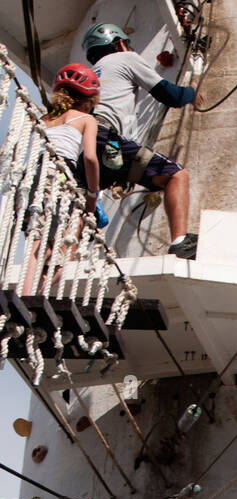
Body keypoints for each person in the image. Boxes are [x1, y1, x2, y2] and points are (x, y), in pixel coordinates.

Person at [80, 21, 200, 259]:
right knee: (175, 174)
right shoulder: (126, 58)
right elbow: (172, 96)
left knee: (82, 206)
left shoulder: (92, 75)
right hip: (105, 139)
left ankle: (59, 259)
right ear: (120, 43)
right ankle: (180, 241)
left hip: (83, 142)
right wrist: (193, 88)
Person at [22, 65, 102, 294]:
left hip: (34, 175)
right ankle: (27, 296)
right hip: (58, 176)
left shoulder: (44, 118)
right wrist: (92, 194)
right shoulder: (86, 119)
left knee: (46, 241)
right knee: (47, 244)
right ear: (88, 100)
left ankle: (32, 293)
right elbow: (90, 158)